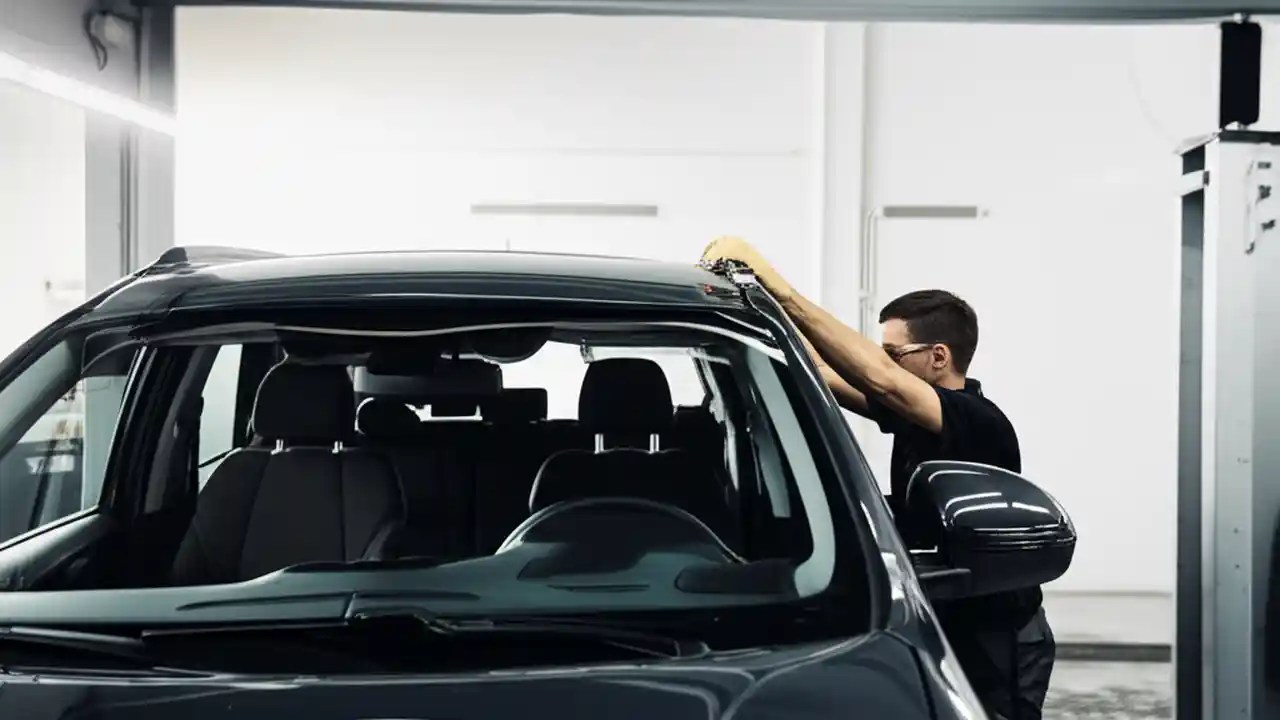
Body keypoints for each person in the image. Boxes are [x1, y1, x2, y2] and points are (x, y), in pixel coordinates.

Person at [700, 236, 1055, 720]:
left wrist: (784, 292)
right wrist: (760, 310)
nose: (882, 364)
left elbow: (881, 379)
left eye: (893, 352)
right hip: (943, 611)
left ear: (938, 357)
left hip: (996, 631)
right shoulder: (913, 415)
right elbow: (825, 370)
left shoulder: (976, 419)